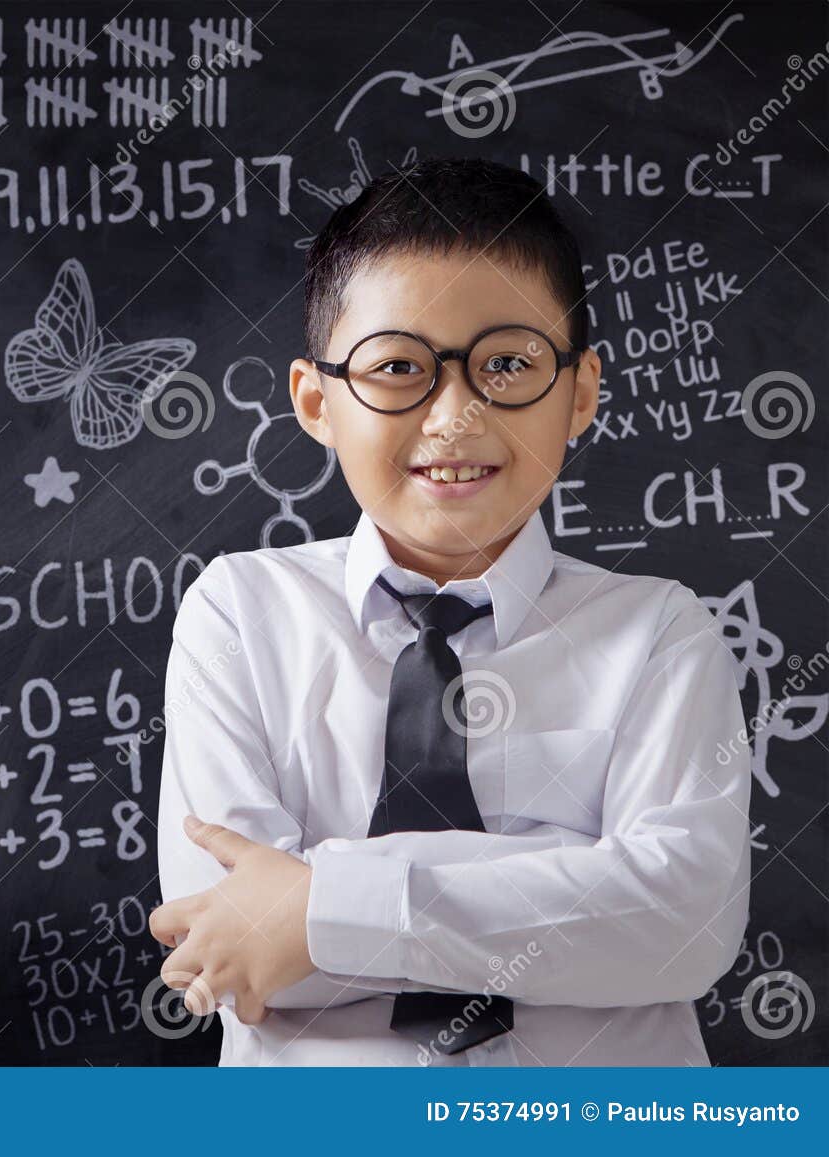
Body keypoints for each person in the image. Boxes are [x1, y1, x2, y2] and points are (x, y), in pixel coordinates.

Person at [150, 156, 750, 1066]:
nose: (456, 416)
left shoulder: (660, 634)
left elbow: (680, 926)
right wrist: (570, 886)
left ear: (580, 391)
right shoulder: (238, 613)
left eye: (508, 362)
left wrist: (316, 904)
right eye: (399, 367)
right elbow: (225, 938)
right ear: (318, 400)